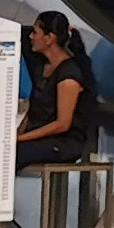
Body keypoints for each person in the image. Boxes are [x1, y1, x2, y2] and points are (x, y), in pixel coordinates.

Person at [19, 15, 94, 159]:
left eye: (35, 32)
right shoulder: (42, 68)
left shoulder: (69, 72)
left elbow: (62, 124)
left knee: (14, 154)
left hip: (64, 142)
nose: (30, 37)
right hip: (41, 138)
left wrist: (22, 139)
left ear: (49, 38)